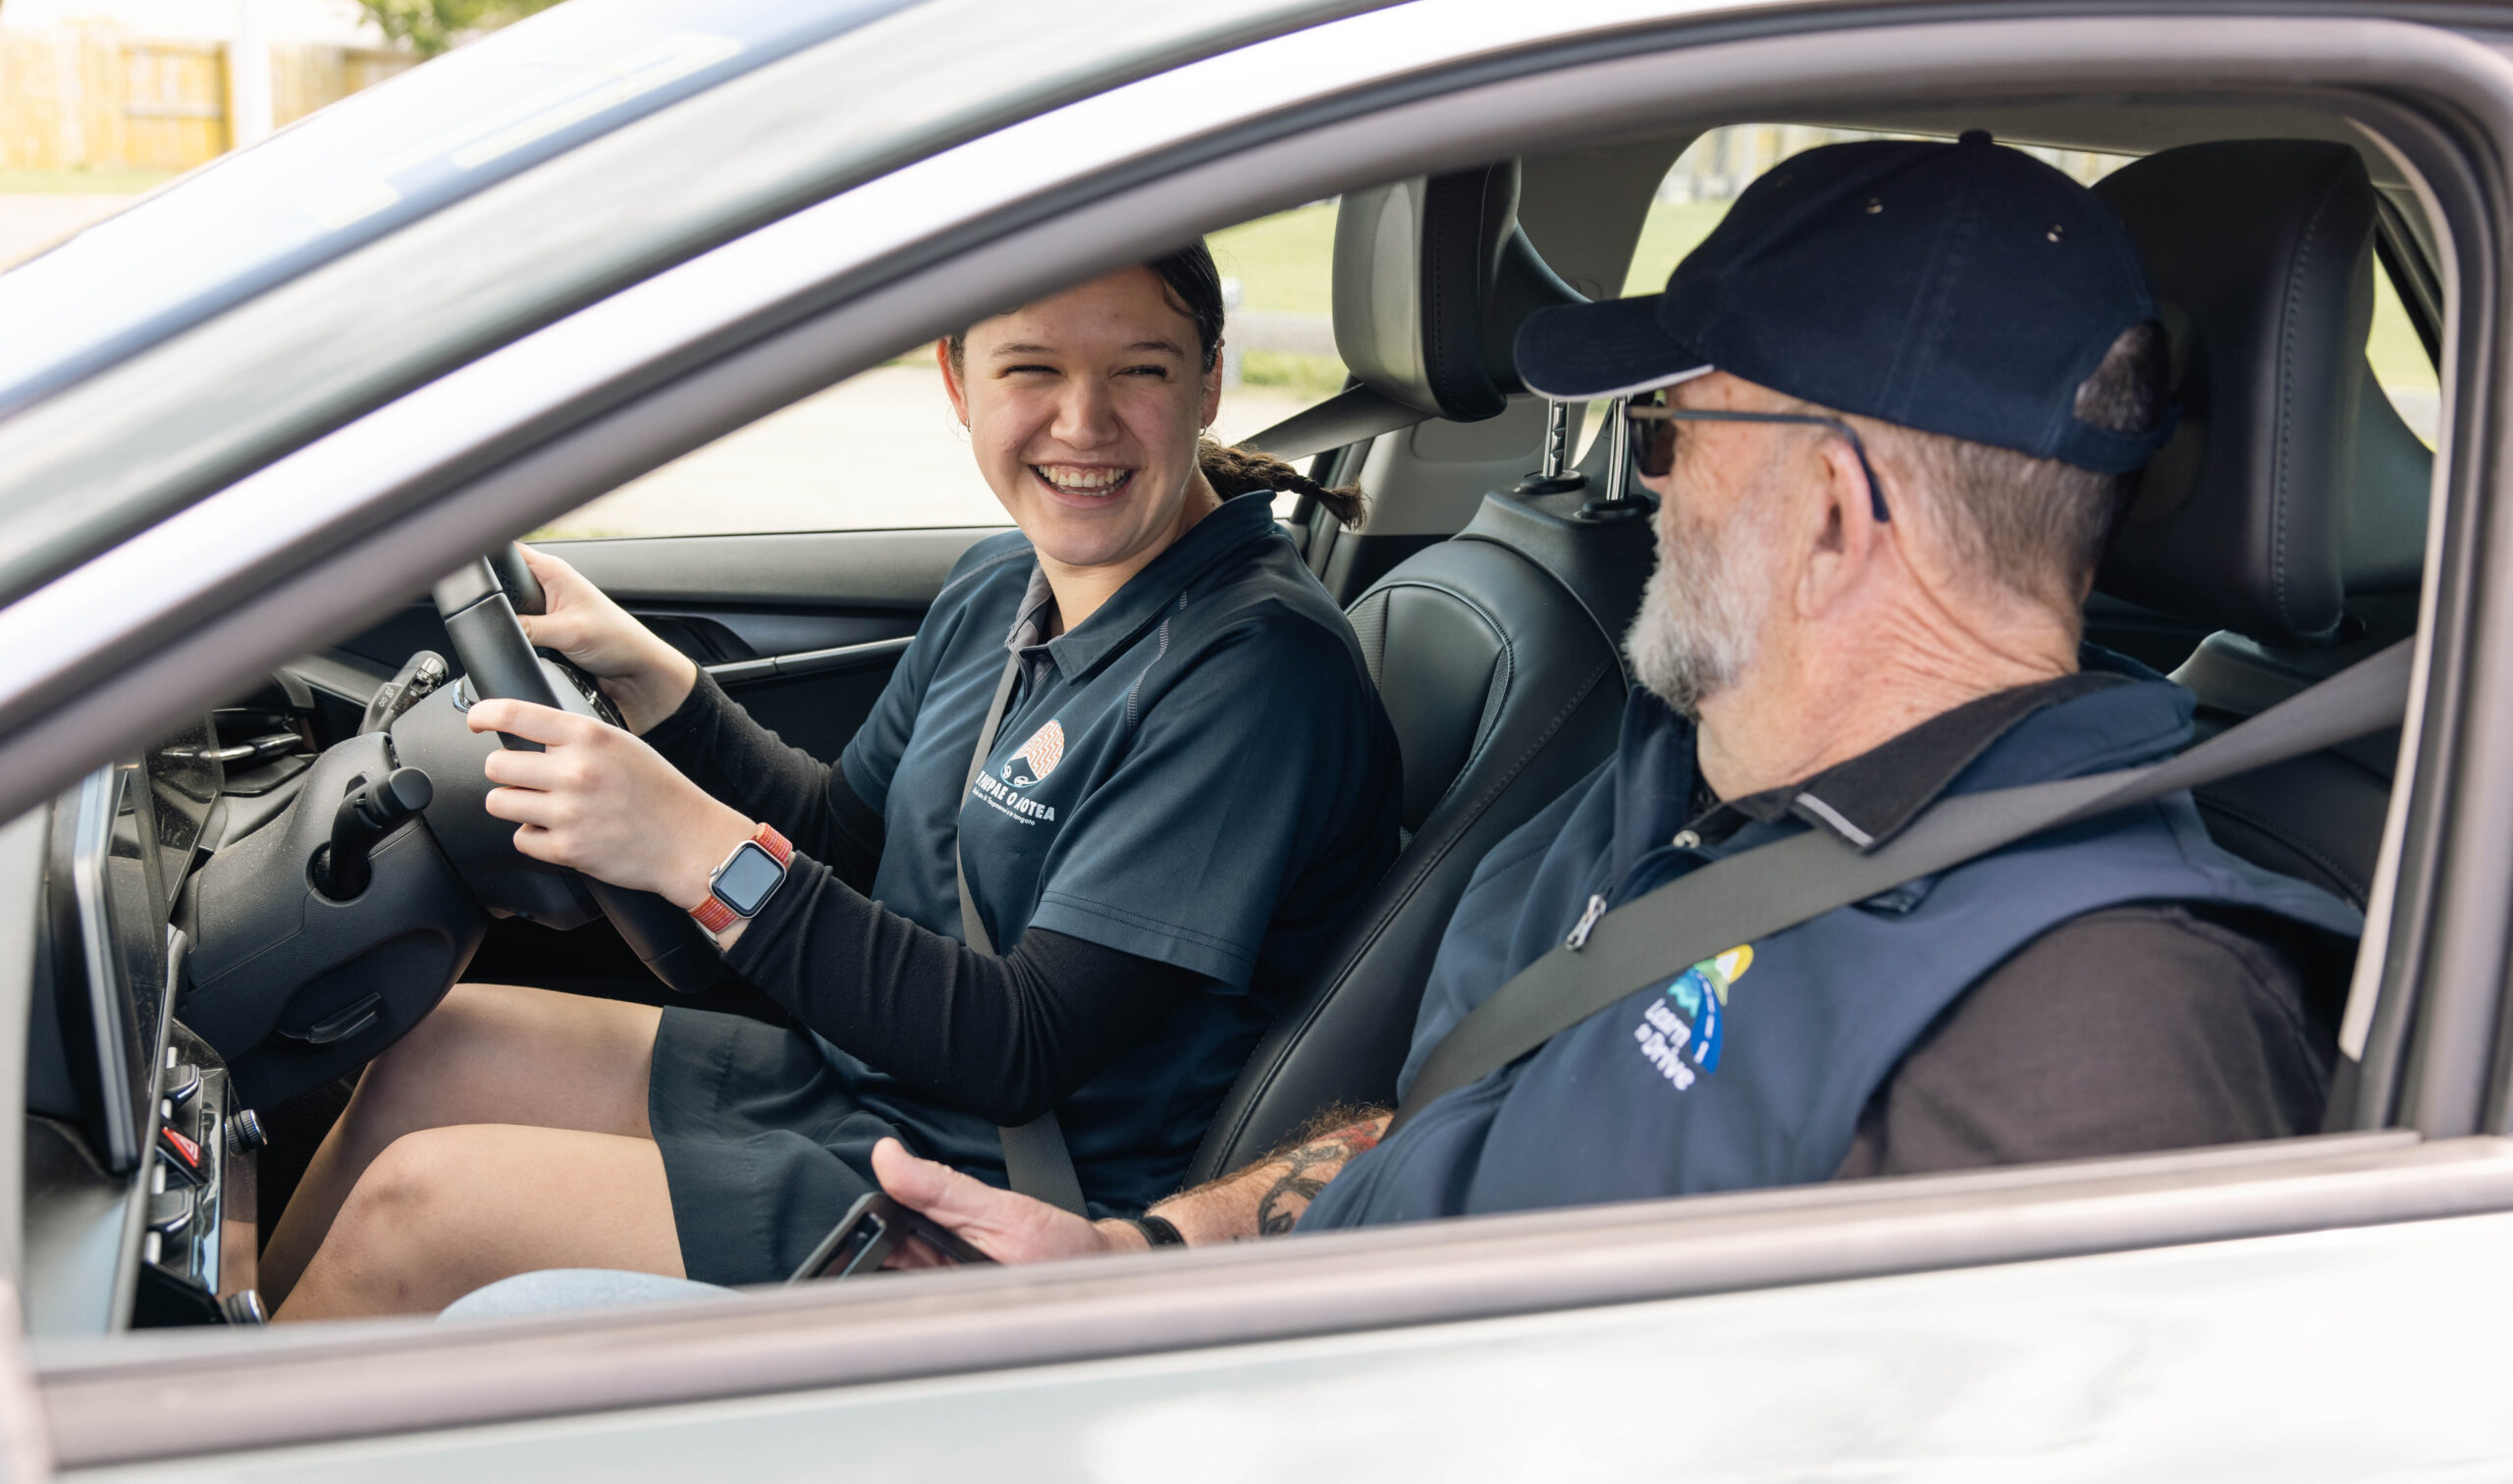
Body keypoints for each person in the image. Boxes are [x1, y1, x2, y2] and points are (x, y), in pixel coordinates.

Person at [859, 132, 2367, 1263]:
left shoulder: (2096, 1033)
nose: (1647, 491)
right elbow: (1455, 1121)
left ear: (1834, 514)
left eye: (1674, 436)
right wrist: (1143, 1255)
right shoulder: (1683, 770)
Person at [262, 243, 1405, 1318]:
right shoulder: (1002, 582)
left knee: (420, 1208)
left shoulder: (1254, 671)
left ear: (1208, 381)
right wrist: (660, 682)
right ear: (958, 380)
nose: (1082, 420)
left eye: (1138, 371)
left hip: (1005, 1195)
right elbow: (849, 837)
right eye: (1031, 369)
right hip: (869, 1090)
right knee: (429, 1046)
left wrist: (687, 845)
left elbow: (1022, 1043)